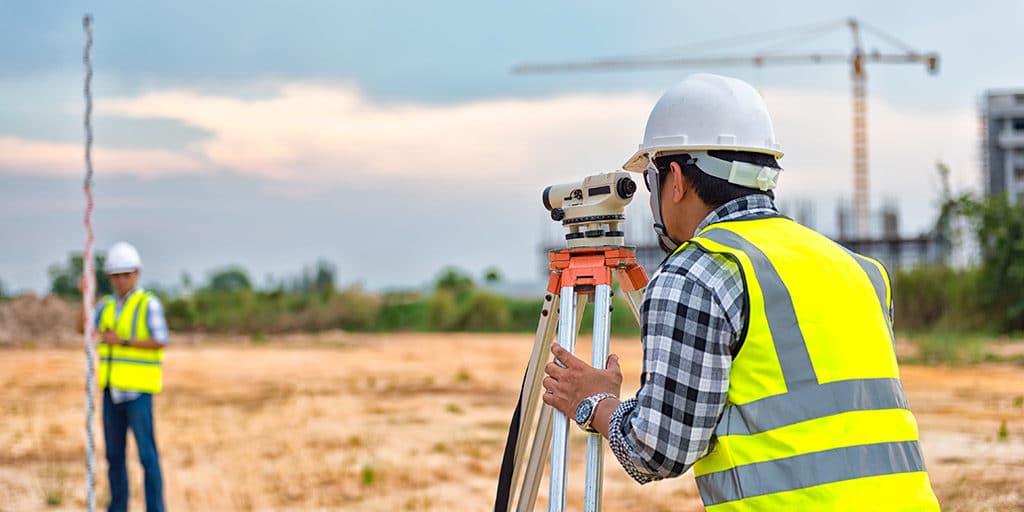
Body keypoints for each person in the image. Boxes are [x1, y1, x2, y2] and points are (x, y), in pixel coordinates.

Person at [541, 73, 939, 510]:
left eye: (652, 179)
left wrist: (593, 402)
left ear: (676, 179)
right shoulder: (858, 269)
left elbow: (656, 452)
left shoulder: (696, 273)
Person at [92, 241, 168, 512]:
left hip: (138, 392)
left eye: (126, 274)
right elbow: (82, 327)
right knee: (114, 457)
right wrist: (85, 295)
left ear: (137, 273)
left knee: (147, 456)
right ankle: (118, 507)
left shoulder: (148, 304)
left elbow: (160, 340)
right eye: (115, 275)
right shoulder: (105, 306)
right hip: (111, 390)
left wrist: (122, 341)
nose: (121, 280)